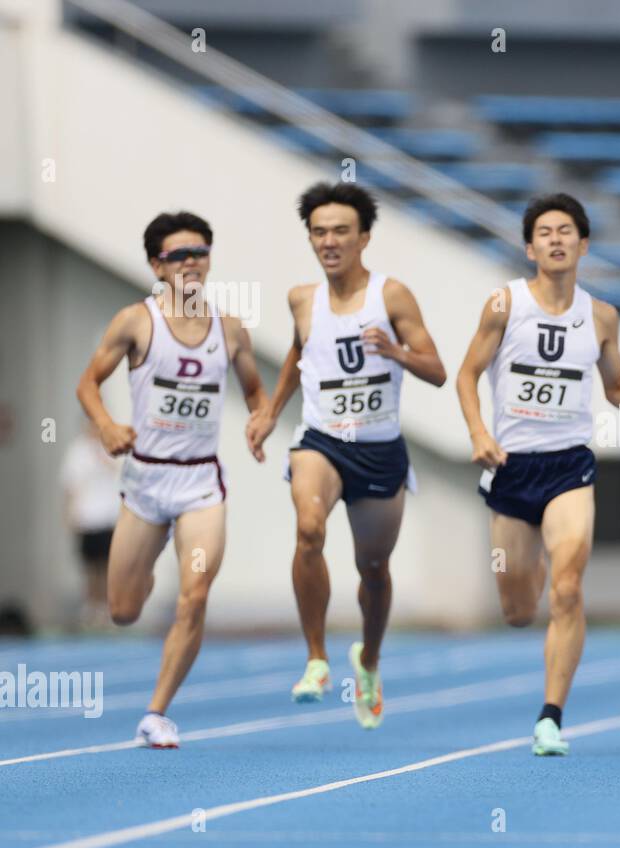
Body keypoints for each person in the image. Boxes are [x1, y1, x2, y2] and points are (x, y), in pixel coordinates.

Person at [456, 193, 620, 755]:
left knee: (568, 587)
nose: (555, 239)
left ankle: (551, 717)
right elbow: (467, 376)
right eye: (544, 232)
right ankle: (533, 578)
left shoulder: (598, 315)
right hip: (511, 468)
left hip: (570, 464)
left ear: (583, 243)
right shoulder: (504, 304)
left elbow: (615, 386)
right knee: (519, 610)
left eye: (566, 230)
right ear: (529, 247)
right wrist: (479, 433)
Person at [247, 183, 447, 730]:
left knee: (374, 569)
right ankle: (316, 658)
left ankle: (371, 661)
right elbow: (298, 350)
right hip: (322, 440)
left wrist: (397, 352)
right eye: (319, 232)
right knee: (309, 528)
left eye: (340, 231)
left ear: (364, 237)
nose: (329, 241)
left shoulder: (393, 296)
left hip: (380, 449)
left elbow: (437, 370)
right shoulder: (301, 299)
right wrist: (269, 411)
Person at [75, 211, 269, 748]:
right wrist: (109, 425)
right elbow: (88, 383)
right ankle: (145, 570)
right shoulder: (136, 322)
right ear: (156, 265)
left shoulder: (230, 330)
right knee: (123, 610)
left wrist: (259, 419)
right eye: (178, 254)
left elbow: (255, 391)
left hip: (201, 485)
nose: (190, 262)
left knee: (196, 594)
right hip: (145, 484)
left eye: (199, 252)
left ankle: (156, 712)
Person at [60, 419, 123, 629]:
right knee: (90, 566)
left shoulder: (109, 446)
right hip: (87, 518)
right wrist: (69, 514)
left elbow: (120, 475)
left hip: (107, 517)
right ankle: (91, 606)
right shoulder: (77, 451)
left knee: (106, 565)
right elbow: (70, 484)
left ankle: (106, 607)